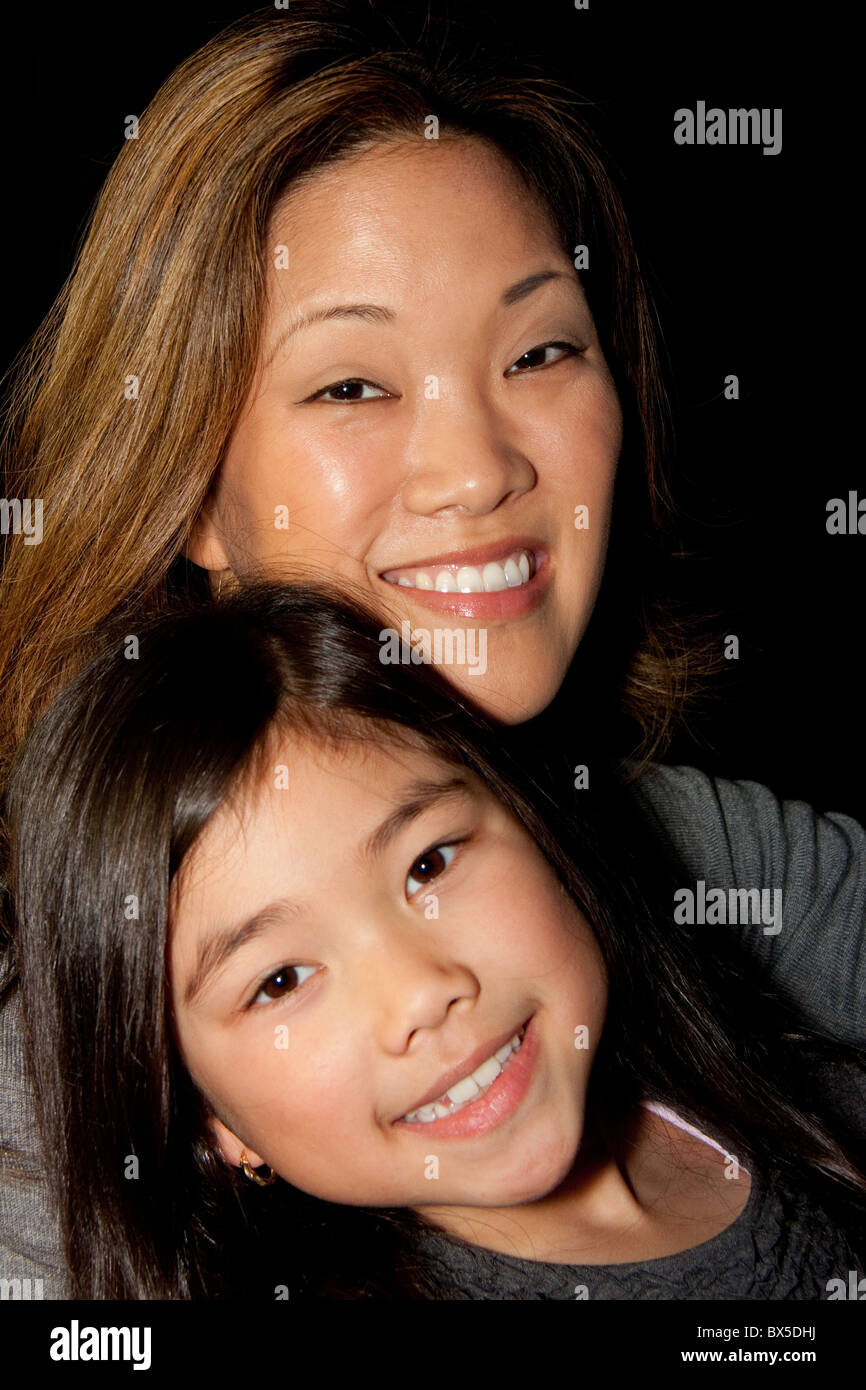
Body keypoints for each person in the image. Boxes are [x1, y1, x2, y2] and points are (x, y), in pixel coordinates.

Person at [1, 2, 864, 1294]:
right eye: (351, 384)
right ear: (184, 490)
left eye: (540, 349)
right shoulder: (64, 1100)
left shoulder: (689, 847)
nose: (479, 470)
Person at [3, 580, 865, 1300]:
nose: (421, 990)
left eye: (429, 864)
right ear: (205, 1118)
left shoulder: (763, 1076)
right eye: (280, 980)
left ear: (534, 826)